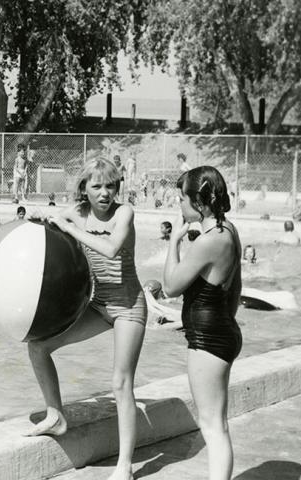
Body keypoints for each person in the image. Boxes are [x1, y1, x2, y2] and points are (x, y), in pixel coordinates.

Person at [29, 159, 146, 480]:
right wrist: (42, 218)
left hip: (129, 308)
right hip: (97, 305)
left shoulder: (125, 213)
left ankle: (125, 465)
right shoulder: (76, 212)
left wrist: (70, 228)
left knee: (120, 384)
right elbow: (46, 220)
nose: (105, 193)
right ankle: (56, 415)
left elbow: (110, 249)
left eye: (111, 186)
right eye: (97, 186)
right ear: (84, 189)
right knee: (38, 346)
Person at [164, 166, 242, 480]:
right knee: (218, 424)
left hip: (207, 340)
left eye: (182, 199)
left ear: (198, 200)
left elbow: (170, 286)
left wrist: (174, 242)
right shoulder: (230, 231)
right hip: (222, 331)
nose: (179, 206)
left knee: (212, 427)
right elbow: (235, 287)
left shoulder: (208, 241)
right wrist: (225, 324)